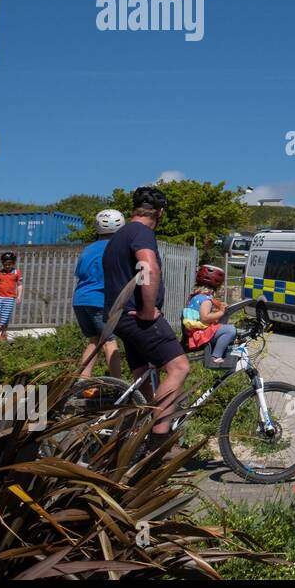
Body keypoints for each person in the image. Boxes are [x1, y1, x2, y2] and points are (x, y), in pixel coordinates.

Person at [102, 186, 189, 455]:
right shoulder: (142, 233)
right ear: (160, 213)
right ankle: (158, 444)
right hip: (137, 318)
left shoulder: (119, 236)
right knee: (179, 368)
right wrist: (148, 310)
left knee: (144, 378)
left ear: (134, 209)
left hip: (119, 319)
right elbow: (147, 267)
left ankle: (139, 434)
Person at [74, 209, 126, 378]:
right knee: (110, 342)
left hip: (80, 300)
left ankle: (82, 382)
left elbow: (80, 274)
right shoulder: (117, 248)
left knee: (94, 340)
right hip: (99, 300)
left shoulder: (88, 249)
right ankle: (119, 386)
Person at [182, 264, 237, 368]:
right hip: (199, 334)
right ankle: (215, 357)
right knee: (230, 330)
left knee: (222, 327)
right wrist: (221, 312)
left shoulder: (194, 296)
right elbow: (205, 318)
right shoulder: (206, 299)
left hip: (192, 332)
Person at [0, 252, 22, 340]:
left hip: (9, 298)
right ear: (3, 264)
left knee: (5, 318)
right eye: (5, 264)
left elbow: (19, 285)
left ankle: (3, 333)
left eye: (9, 264)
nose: (7, 266)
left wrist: (19, 296)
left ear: (13, 263)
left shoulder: (17, 273)